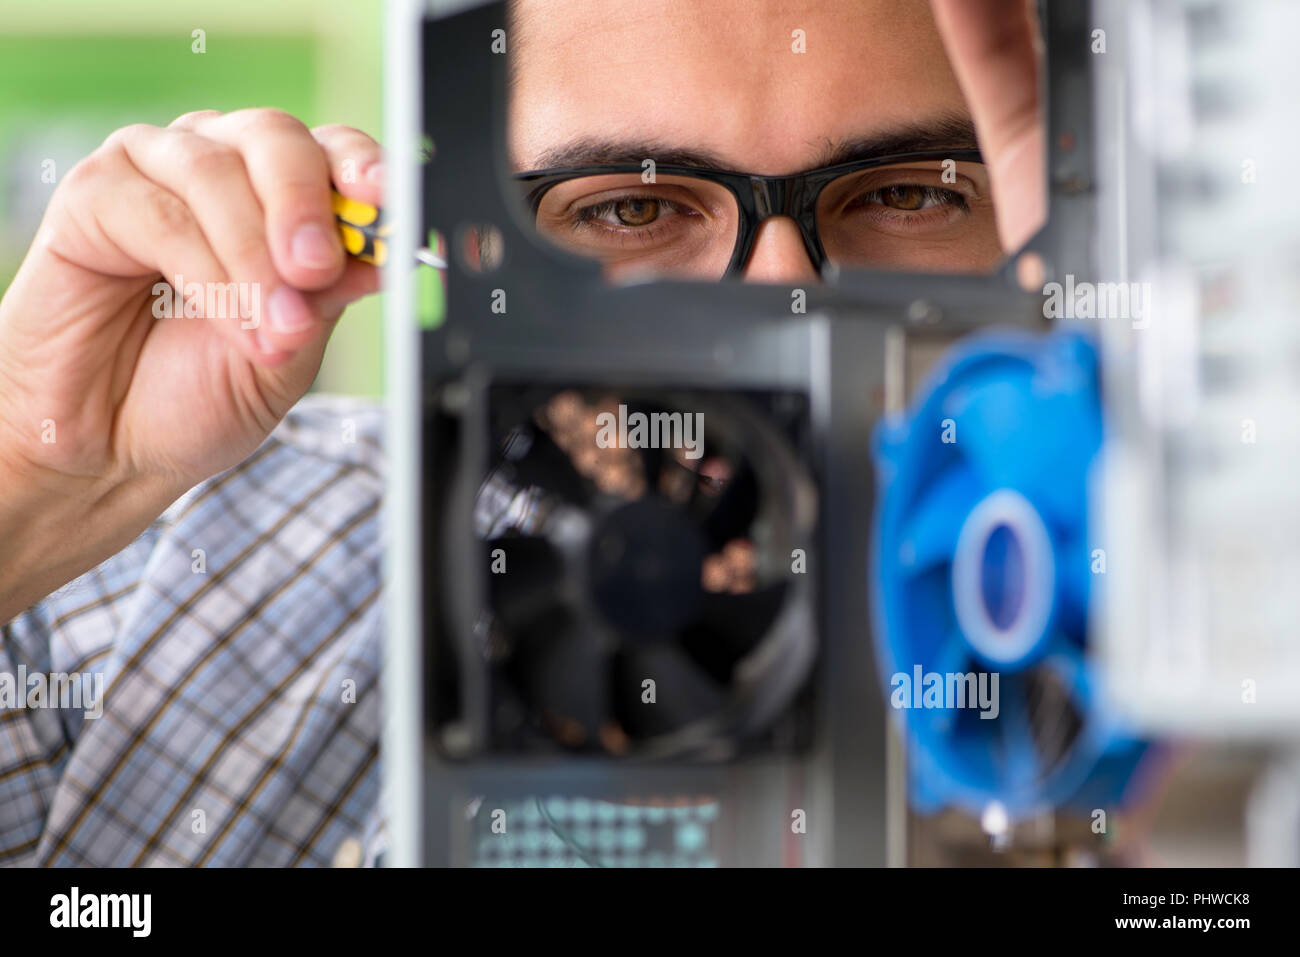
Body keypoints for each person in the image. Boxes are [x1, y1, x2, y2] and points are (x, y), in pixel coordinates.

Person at [0, 0, 1043, 866]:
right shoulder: (156, 582)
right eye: (633, 211)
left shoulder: (1161, 648)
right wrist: (35, 480)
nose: (780, 301)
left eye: (910, 195)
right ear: (469, 253)